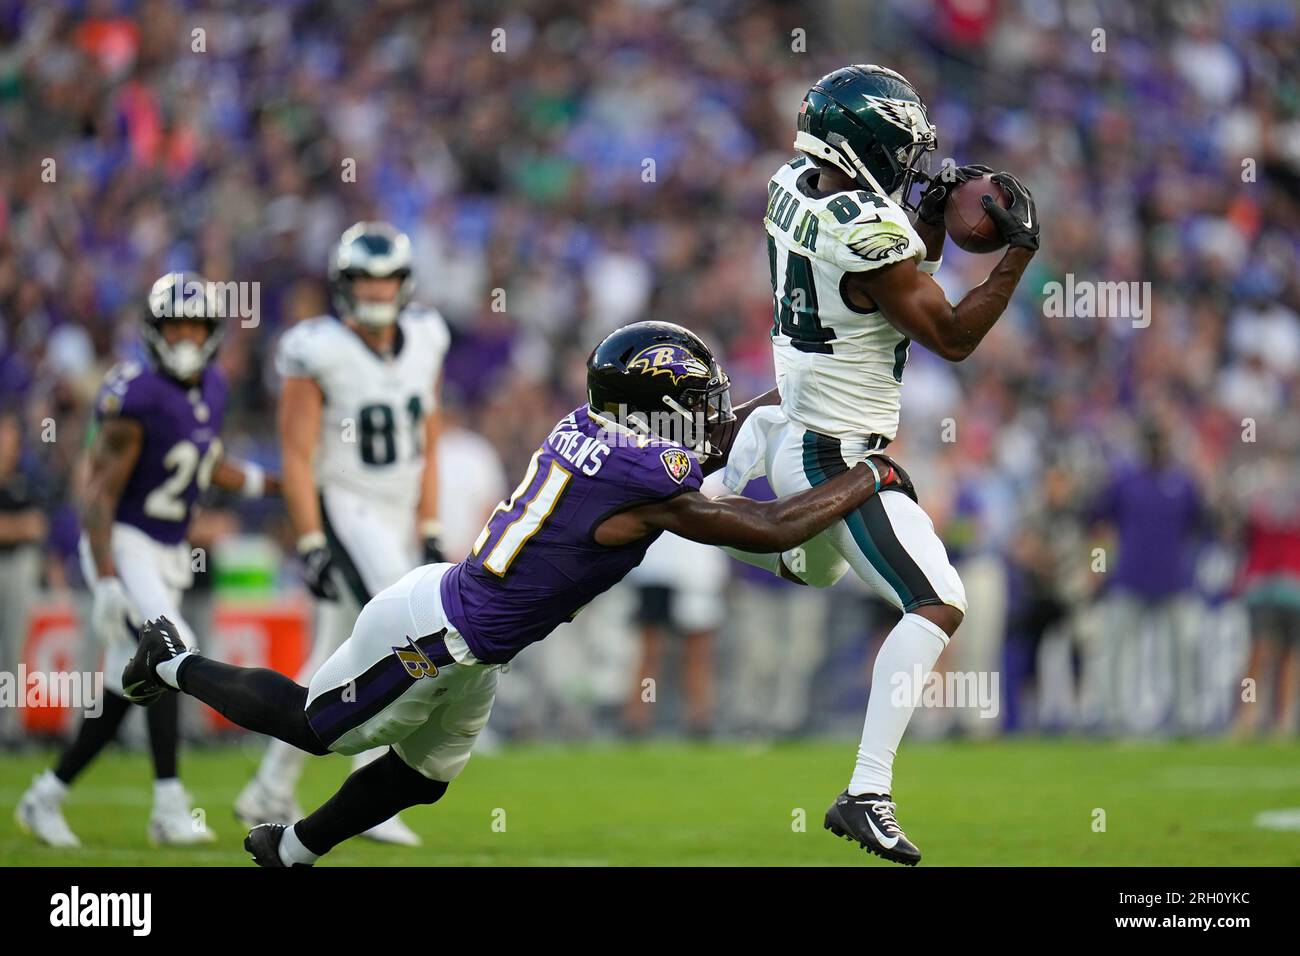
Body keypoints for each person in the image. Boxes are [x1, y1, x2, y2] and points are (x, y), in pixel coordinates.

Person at [120, 320, 911, 867]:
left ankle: (291, 850)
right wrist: (868, 474)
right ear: (650, 410)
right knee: (316, 728)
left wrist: (793, 397)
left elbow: (699, 451)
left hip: (473, 638)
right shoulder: (638, 474)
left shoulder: (606, 436)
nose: (707, 414)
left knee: (423, 779)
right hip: (439, 633)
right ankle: (173, 661)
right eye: (694, 401)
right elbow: (769, 526)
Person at [720, 65, 1040, 863]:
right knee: (938, 600)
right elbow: (952, 334)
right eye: (900, 146)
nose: (913, 161)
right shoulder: (871, 236)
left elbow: (885, 285)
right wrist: (1017, 254)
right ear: (865, 143)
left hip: (806, 414)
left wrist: (925, 220)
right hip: (836, 451)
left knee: (819, 574)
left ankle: (749, 467)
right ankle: (867, 790)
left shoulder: (790, 181)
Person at [15, 272, 275, 847]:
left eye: (194, 326)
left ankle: (45, 796)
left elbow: (204, 461)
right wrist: (106, 578)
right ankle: (169, 805)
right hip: (124, 542)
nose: (184, 337)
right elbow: (99, 496)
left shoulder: (212, 387)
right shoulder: (136, 396)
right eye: (173, 326)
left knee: (124, 688)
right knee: (173, 650)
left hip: (169, 553)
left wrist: (271, 483)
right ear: (154, 331)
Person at [234, 222, 451, 847]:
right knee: (405, 633)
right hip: (346, 505)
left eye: (386, 279)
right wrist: (309, 540)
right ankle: (369, 785)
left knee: (332, 655)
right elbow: (296, 456)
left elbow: (428, 441)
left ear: (404, 284)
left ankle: (269, 788)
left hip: (395, 506)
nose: (377, 291)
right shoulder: (316, 348)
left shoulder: (427, 338)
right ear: (343, 284)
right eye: (364, 279)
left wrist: (430, 524)